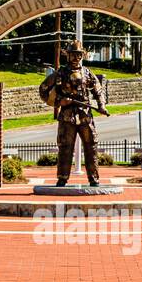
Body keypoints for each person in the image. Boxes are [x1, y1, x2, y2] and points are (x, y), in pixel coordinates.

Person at [37, 40, 107, 186]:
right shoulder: (60, 73)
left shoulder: (87, 73)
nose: (76, 58)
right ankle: (62, 178)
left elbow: (98, 90)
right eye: (73, 55)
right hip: (67, 116)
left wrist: (101, 105)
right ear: (67, 56)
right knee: (65, 147)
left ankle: (94, 179)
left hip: (85, 114)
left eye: (79, 55)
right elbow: (43, 89)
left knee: (91, 146)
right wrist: (59, 101)